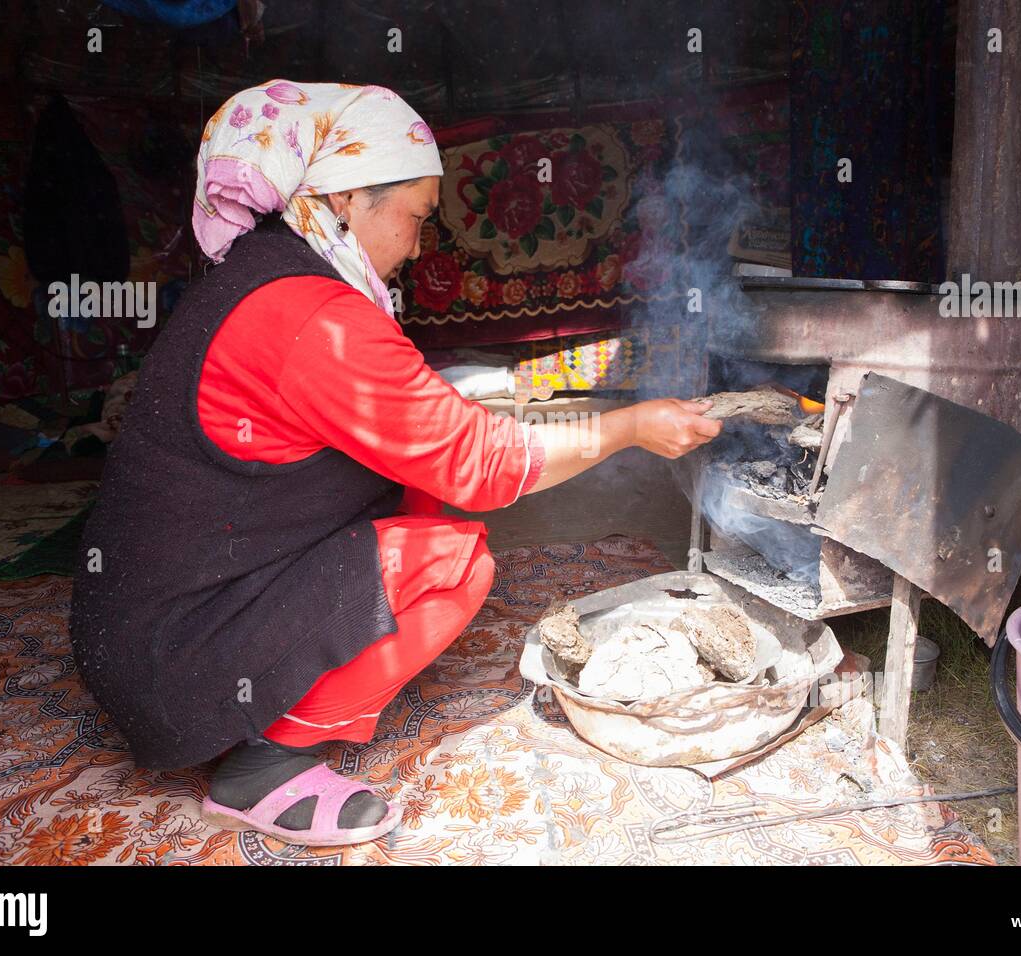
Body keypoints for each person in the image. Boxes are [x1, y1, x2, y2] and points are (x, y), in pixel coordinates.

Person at [68, 80, 721, 847]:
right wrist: (630, 426)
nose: (416, 247)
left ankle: (258, 696)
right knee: (454, 565)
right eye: (414, 217)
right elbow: (481, 461)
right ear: (345, 199)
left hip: (143, 625)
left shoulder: (263, 276)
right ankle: (264, 764)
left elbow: (431, 441)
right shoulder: (311, 317)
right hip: (171, 659)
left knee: (421, 488)